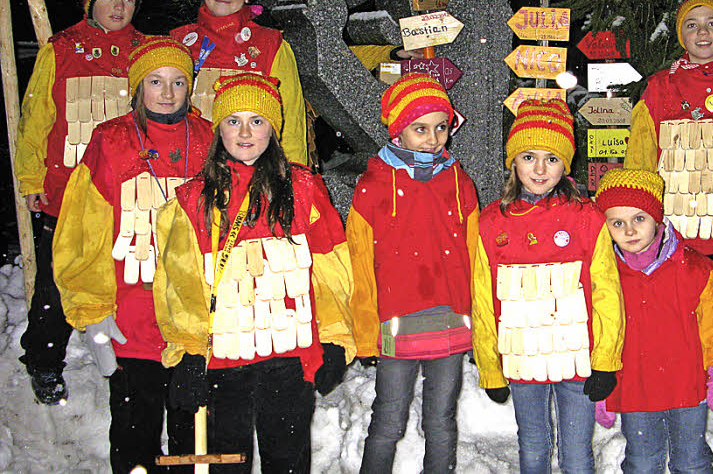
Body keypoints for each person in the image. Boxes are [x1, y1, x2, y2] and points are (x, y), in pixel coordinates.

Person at [153, 72, 355, 473]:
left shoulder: (304, 190)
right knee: (229, 461)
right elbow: (180, 285)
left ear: (273, 130)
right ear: (218, 130)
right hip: (225, 362)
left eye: (257, 121)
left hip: (290, 356)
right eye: (233, 121)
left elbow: (331, 271)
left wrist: (334, 338)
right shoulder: (193, 200)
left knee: (288, 459)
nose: (245, 132)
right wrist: (189, 353)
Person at [53, 37, 209, 473]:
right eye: (156, 81)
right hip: (130, 318)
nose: (167, 92)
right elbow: (82, 232)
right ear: (138, 87)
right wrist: (92, 308)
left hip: (191, 323)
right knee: (134, 430)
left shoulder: (210, 139)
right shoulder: (110, 140)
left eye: (179, 82)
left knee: (190, 435)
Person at [14, 0, 144, 405]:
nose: (119, 7)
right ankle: (43, 360)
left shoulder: (149, 50)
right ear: (91, 1)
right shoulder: (61, 48)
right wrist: (32, 177)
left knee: (126, 276)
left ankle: (125, 353)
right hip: (67, 190)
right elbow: (36, 120)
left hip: (126, 191)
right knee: (57, 280)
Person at [472, 99, 625, 474]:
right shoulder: (491, 222)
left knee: (576, 454)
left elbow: (607, 291)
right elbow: (482, 298)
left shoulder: (587, 218)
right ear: (513, 161)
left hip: (579, 359)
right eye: (528, 156)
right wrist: (490, 367)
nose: (540, 169)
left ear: (565, 163)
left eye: (552, 159)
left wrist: (606, 359)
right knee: (534, 448)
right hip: (523, 357)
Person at [624, 0, 713, 373]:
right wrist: (643, 225)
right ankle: (675, 382)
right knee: (676, 319)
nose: (702, 32)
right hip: (674, 236)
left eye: (712, 23)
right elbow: (639, 164)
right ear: (680, 35)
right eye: (692, 24)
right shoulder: (658, 89)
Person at [347, 73, 479, 473]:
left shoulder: (458, 180)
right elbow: (359, 263)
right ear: (398, 130)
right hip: (397, 318)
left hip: (450, 316)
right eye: (420, 129)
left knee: (440, 420)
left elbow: (475, 254)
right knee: (388, 418)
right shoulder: (373, 184)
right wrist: (366, 329)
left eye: (441, 127)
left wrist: (481, 319)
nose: (433, 138)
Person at [594, 167, 713, 473]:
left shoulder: (694, 268)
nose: (630, 231)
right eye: (617, 223)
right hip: (634, 388)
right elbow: (599, 330)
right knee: (642, 462)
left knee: (692, 461)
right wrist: (603, 384)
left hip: (687, 387)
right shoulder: (604, 278)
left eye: (639, 219)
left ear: (657, 219)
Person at [170, 0, 309, 165]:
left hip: (250, 168)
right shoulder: (179, 41)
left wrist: (294, 172)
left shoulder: (270, 44)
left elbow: (290, 116)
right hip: (186, 162)